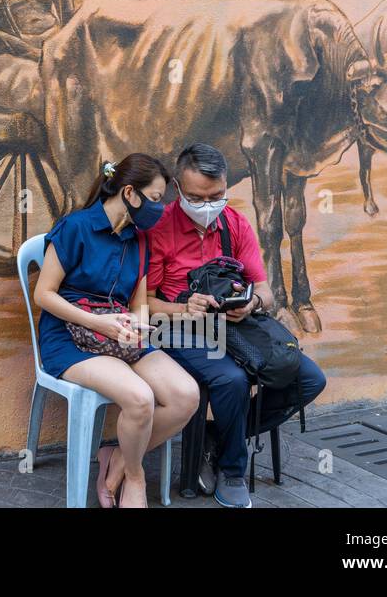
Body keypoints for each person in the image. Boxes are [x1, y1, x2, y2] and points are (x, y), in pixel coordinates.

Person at [147, 143, 327, 508]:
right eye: (197, 197)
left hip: (233, 325)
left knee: (308, 378)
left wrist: (252, 304)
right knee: (231, 380)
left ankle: (216, 436)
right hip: (176, 327)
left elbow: (266, 291)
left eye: (217, 195)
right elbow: (144, 305)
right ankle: (232, 470)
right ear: (178, 190)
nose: (208, 205)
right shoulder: (160, 229)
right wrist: (184, 306)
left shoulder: (235, 223)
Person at [34, 153, 199, 508]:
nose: (159, 209)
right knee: (140, 399)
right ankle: (135, 478)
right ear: (130, 193)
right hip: (69, 338)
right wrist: (97, 322)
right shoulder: (76, 227)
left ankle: (120, 458)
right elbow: (43, 294)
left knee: (186, 395)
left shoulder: (138, 238)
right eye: (155, 199)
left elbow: (138, 304)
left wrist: (137, 326)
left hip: (118, 333)